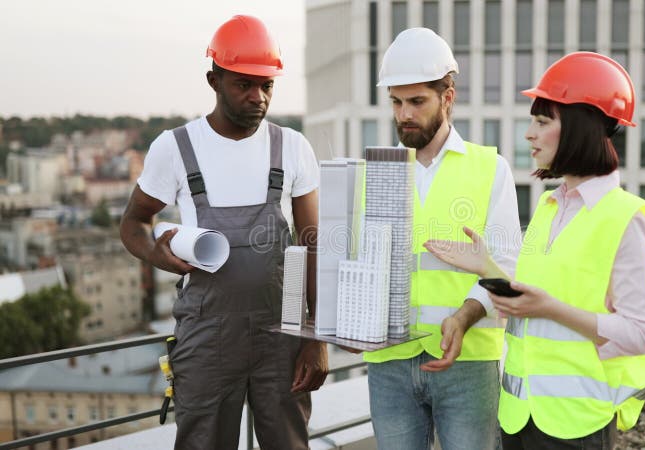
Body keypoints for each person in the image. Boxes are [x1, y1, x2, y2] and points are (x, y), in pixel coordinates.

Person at [424, 51, 645, 450]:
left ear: (580, 127)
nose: (529, 134)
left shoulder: (625, 218)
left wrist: (551, 308)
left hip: (576, 426)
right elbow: (531, 301)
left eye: (542, 122)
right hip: (519, 418)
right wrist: (487, 268)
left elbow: (641, 335)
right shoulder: (550, 207)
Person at [119, 15, 327, 450]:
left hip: (283, 335)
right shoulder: (175, 148)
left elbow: (313, 246)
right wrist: (157, 255)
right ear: (214, 80)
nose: (258, 97)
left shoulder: (292, 147)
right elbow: (133, 223)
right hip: (206, 338)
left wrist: (316, 338)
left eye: (266, 86)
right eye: (243, 85)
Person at [363, 27, 521, 450]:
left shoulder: (490, 168)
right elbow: (358, 262)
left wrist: (465, 316)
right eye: (396, 102)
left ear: (448, 97)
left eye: (417, 102)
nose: (403, 114)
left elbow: (507, 263)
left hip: (467, 362)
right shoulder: (375, 171)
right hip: (389, 362)